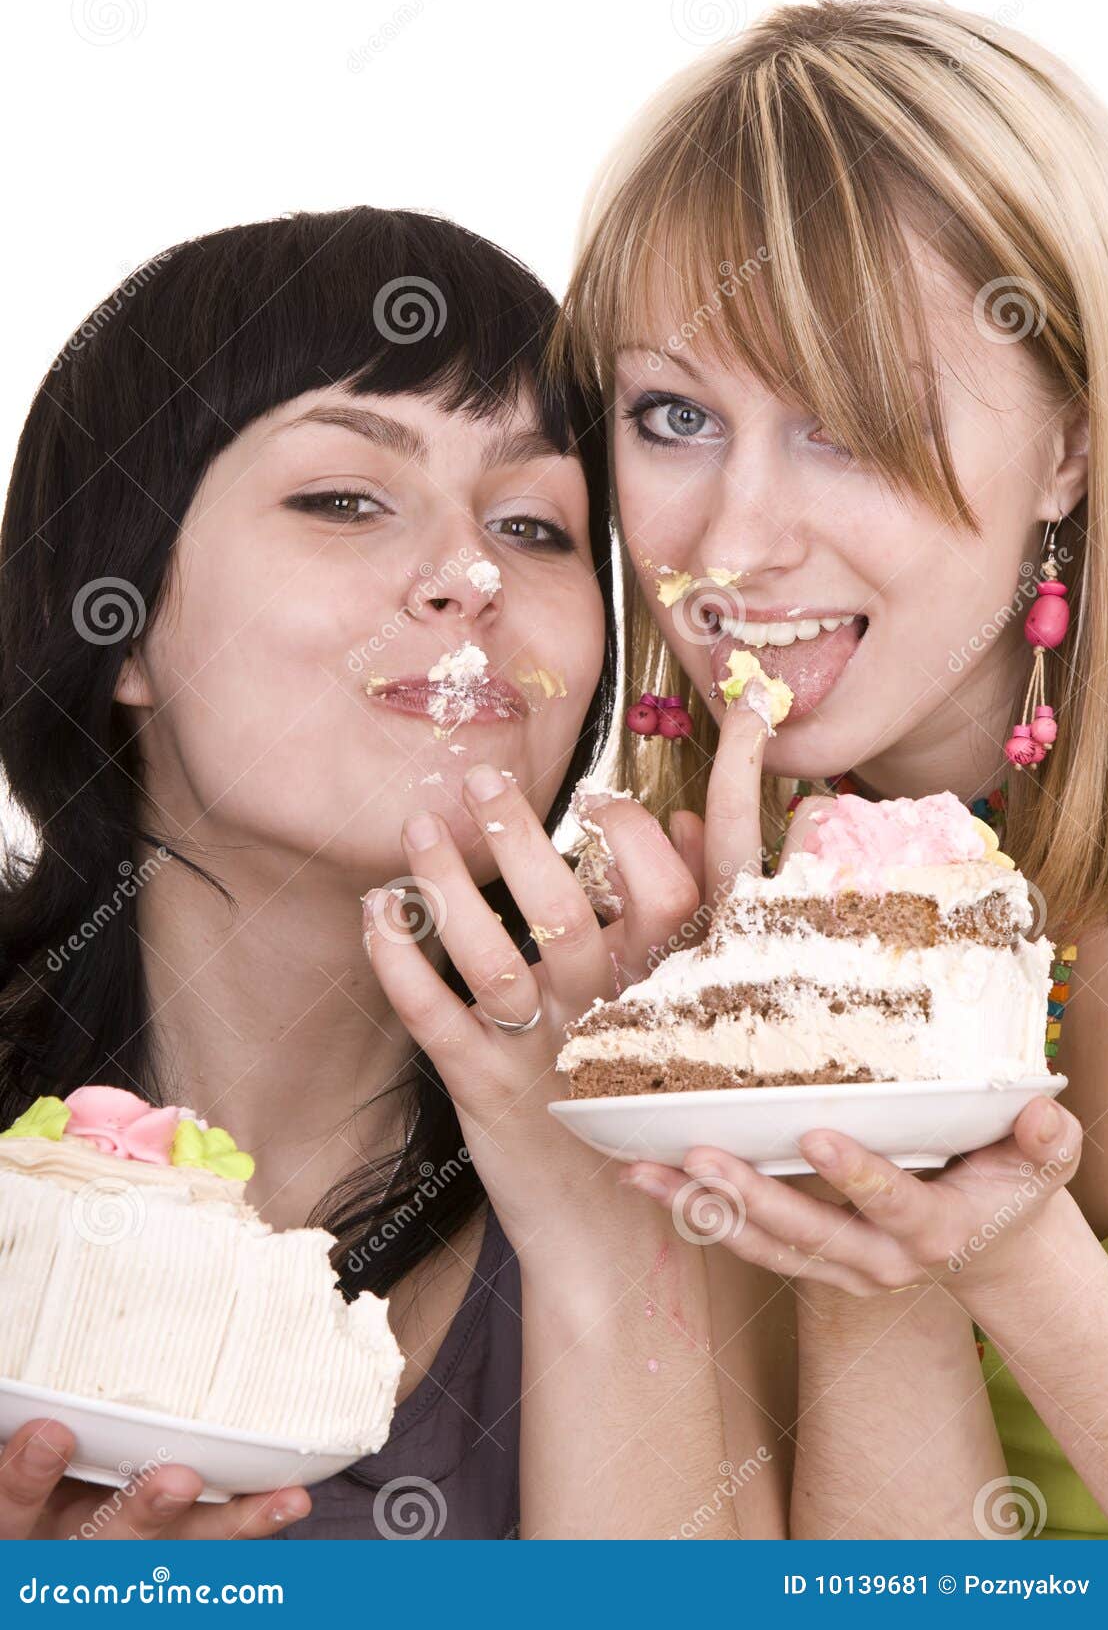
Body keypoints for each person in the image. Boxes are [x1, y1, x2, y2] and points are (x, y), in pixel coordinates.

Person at [0, 208, 755, 1539]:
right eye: (344, 498)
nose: (468, 574)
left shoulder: (693, 1161)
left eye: (532, 525)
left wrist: (589, 1207)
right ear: (113, 621)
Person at [556, 0, 1108, 1538]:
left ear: (1069, 442)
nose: (731, 544)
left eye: (849, 423)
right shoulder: (668, 933)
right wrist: (836, 1101)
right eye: (673, 413)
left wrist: (1014, 1249)